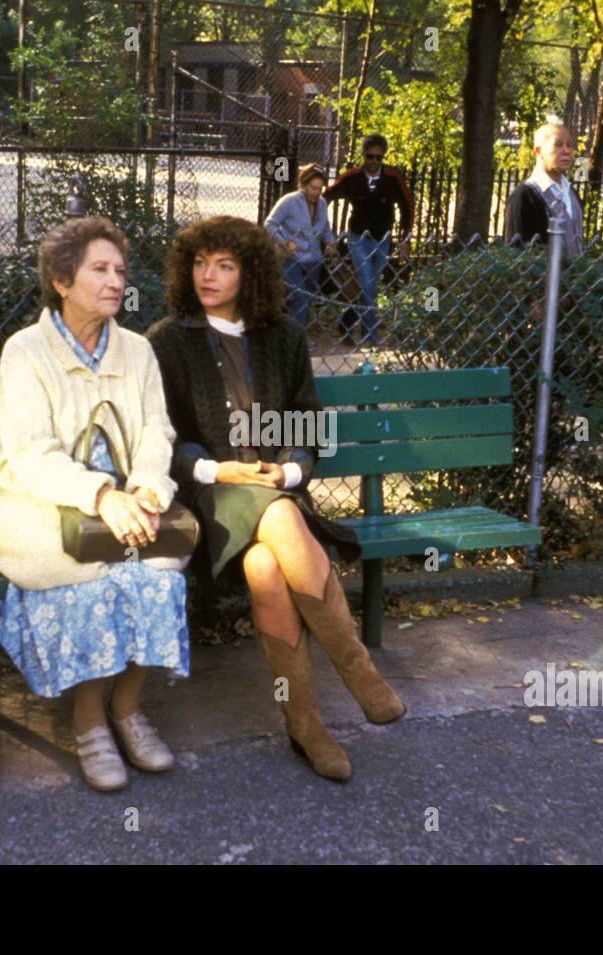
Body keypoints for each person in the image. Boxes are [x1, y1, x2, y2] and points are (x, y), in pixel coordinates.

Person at [146, 216, 404, 783]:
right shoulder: (167, 339)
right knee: (283, 518)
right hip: (209, 498)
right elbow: (159, 437)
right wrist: (218, 468)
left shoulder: (282, 335)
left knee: (266, 567)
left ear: (252, 273)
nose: (207, 275)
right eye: (199, 263)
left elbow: (308, 425)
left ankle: (305, 724)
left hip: (274, 494)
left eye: (224, 265)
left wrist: (286, 470)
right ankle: (358, 670)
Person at [0, 216, 189, 793]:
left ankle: (127, 709)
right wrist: (101, 496)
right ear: (61, 279)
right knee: (90, 582)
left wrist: (149, 489)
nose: (114, 281)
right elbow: (31, 455)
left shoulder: (137, 350)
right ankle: (88, 722)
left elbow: (157, 433)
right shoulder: (25, 352)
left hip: (128, 506)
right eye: (99, 269)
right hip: (47, 510)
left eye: (120, 271)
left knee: (157, 577)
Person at [323, 134, 414, 347]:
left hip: (382, 239)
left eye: (378, 157)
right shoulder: (352, 177)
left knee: (371, 287)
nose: (374, 161)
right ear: (364, 155)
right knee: (366, 283)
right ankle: (370, 337)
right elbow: (325, 198)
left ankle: (346, 321)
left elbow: (407, 207)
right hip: (357, 238)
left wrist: (405, 239)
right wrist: (326, 233)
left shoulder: (393, 178)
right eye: (370, 157)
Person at [264, 163, 338, 328]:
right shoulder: (289, 201)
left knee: (307, 297)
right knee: (300, 296)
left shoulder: (322, 203)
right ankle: (297, 338)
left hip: (314, 259)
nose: (316, 192)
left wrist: (330, 241)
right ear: (304, 185)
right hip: (291, 258)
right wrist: (284, 242)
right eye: (313, 188)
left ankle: (287, 328)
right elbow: (269, 224)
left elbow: (325, 227)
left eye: (320, 189)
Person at [503, 122, 586, 256]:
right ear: (538, 151)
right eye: (558, 145)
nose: (566, 151)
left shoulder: (572, 193)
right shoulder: (524, 196)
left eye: (570, 145)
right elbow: (516, 255)